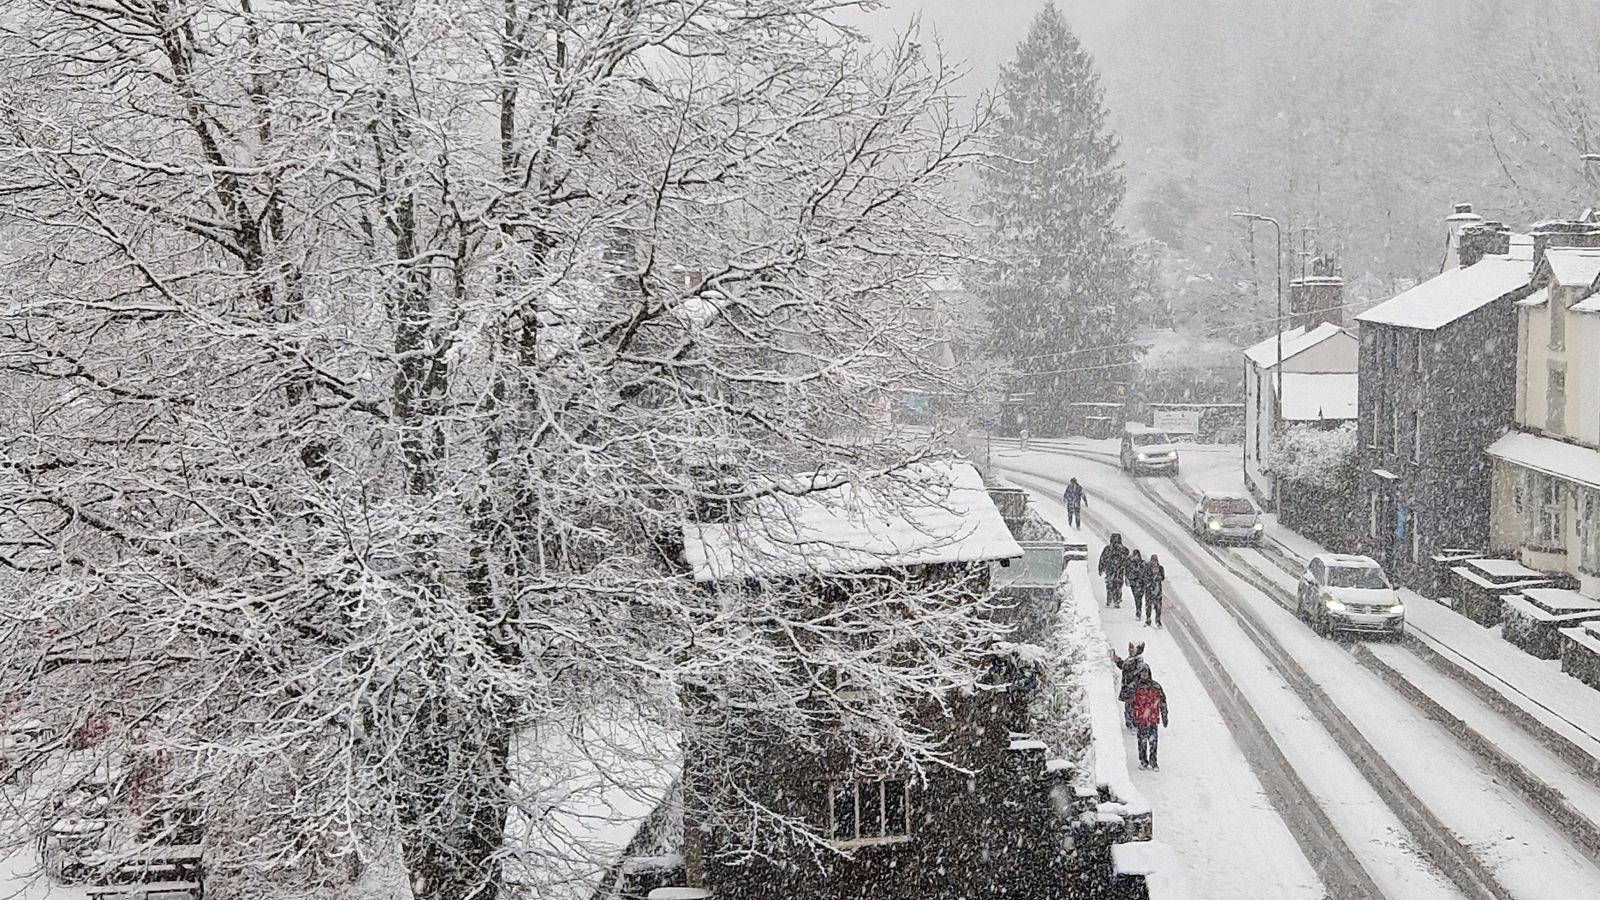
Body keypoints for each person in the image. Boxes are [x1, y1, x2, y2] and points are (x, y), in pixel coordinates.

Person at [1129, 665, 1170, 770]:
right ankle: (1143, 761)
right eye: (1142, 673)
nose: (1144, 675)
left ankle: (1153, 761)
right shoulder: (1135, 687)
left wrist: (1164, 716)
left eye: (1145, 672)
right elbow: (1131, 704)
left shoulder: (1155, 687)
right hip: (1141, 720)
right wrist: (1132, 717)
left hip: (1152, 720)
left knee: (1153, 742)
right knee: (1142, 742)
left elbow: (1162, 702)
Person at [1110, 641, 1146, 730]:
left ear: (1138, 650)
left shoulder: (1137, 661)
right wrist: (1117, 659)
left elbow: (1126, 667)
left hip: (1133, 691)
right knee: (1129, 708)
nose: (1129, 650)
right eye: (1129, 648)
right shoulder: (1131, 659)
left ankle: (1133, 725)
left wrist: (1132, 685)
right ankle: (1132, 724)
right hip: (1130, 689)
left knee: (1132, 708)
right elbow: (1124, 666)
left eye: (1132, 648)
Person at [1098, 534, 1129, 608]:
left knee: (1115, 585)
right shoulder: (1121, 549)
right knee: (1113, 585)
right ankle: (1113, 599)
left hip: (1117, 571)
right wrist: (1101, 568)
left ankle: (1115, 600)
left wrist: (1101, 568)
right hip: (1113, 570)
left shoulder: (1121, 550)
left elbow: (1103, 559)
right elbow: (1103, 559)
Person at [1146, 554, 1167, 627]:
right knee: (1148, 605)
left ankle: (1158, 621)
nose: (1153, 562)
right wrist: (1152, 577)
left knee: (1158, 606)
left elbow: (1163, 577)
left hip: (1158, 590)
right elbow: (1145, 576)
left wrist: (1158, 577)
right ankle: (1148, 619)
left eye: (1155, 560)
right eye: (1152, 560)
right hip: (1149, 589)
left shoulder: (1160, 568)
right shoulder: (1147, 568)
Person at [1127, 549, 1148, 621]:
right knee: (1136, 598)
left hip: (1141, 583)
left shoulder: (1142, 563)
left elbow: (1146, 572)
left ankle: (1138, 612)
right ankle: (1138, 610)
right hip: (1133, 583)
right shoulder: (1130, 563)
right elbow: (1127, 570)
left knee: (1139, 598)